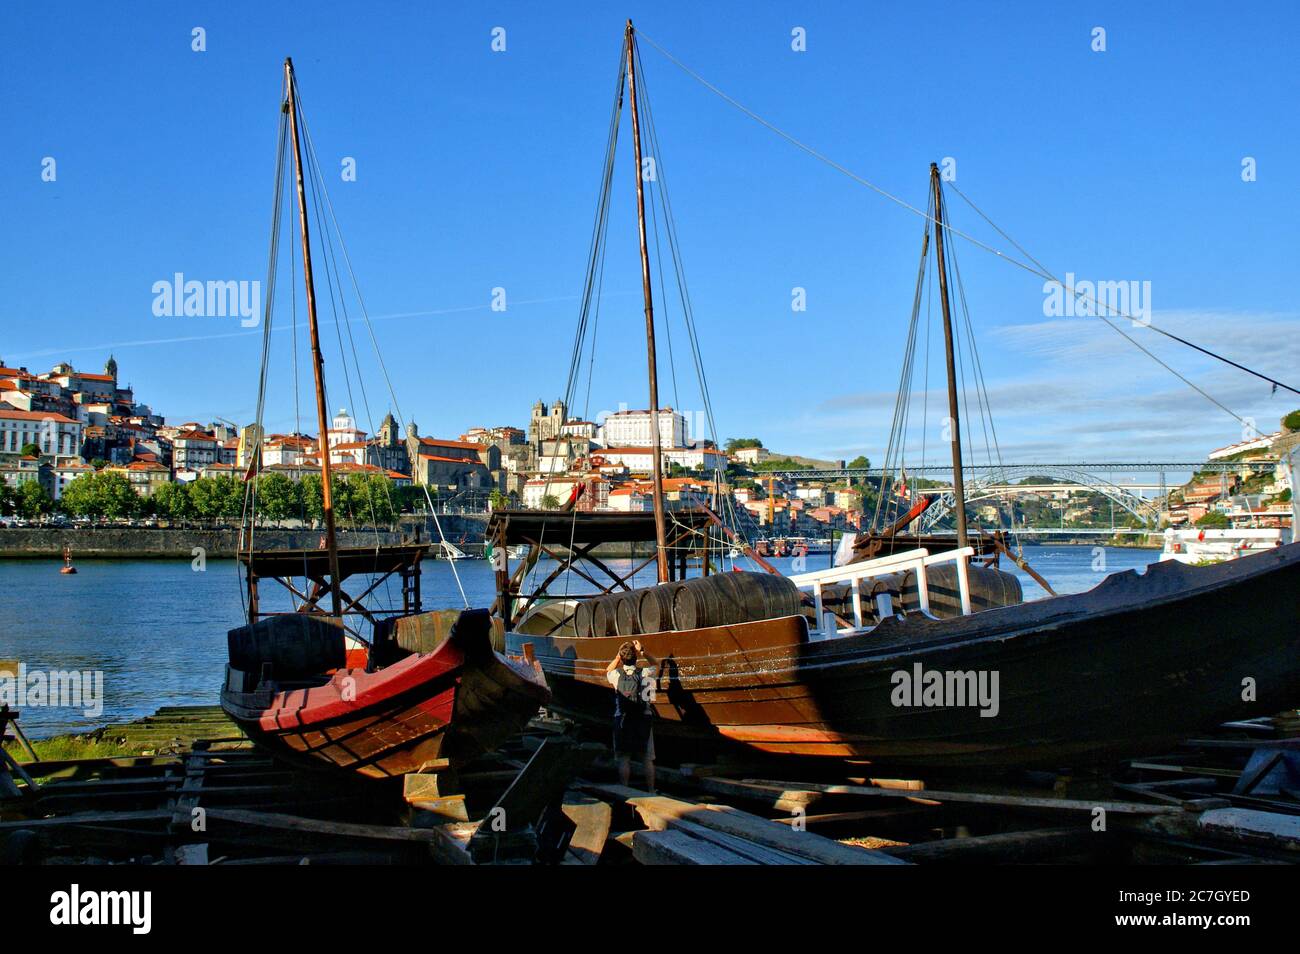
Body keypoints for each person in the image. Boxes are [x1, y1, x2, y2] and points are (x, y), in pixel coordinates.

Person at [606, 639, 657, 793]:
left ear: (622, 659)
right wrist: (643, 651)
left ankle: (624, 790)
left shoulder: (615, 675)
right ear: (636, 657)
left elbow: (607, 670)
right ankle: (651, 791)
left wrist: (617, 658)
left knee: (624, 759)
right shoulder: (646, 673)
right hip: (643, 718)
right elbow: (656, 663)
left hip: (622, 719)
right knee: (647, 759)